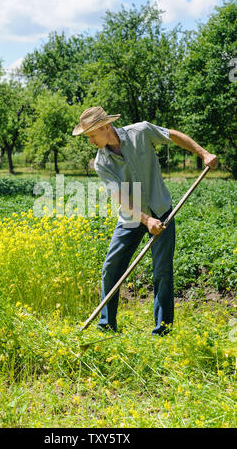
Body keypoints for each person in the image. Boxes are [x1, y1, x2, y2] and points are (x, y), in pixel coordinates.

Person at [72, 107, 218, 336]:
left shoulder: (140, 131)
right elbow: (121, 199)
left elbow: (172, 136)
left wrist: (204, 154)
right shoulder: (102, 163)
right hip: (132, 217)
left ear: (104, 127)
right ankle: (107, 327)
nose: (90, 141)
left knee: (162, 272)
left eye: (91, 135)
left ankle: (162, 331)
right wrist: (145, 219)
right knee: (111, 267)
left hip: (161, 209)